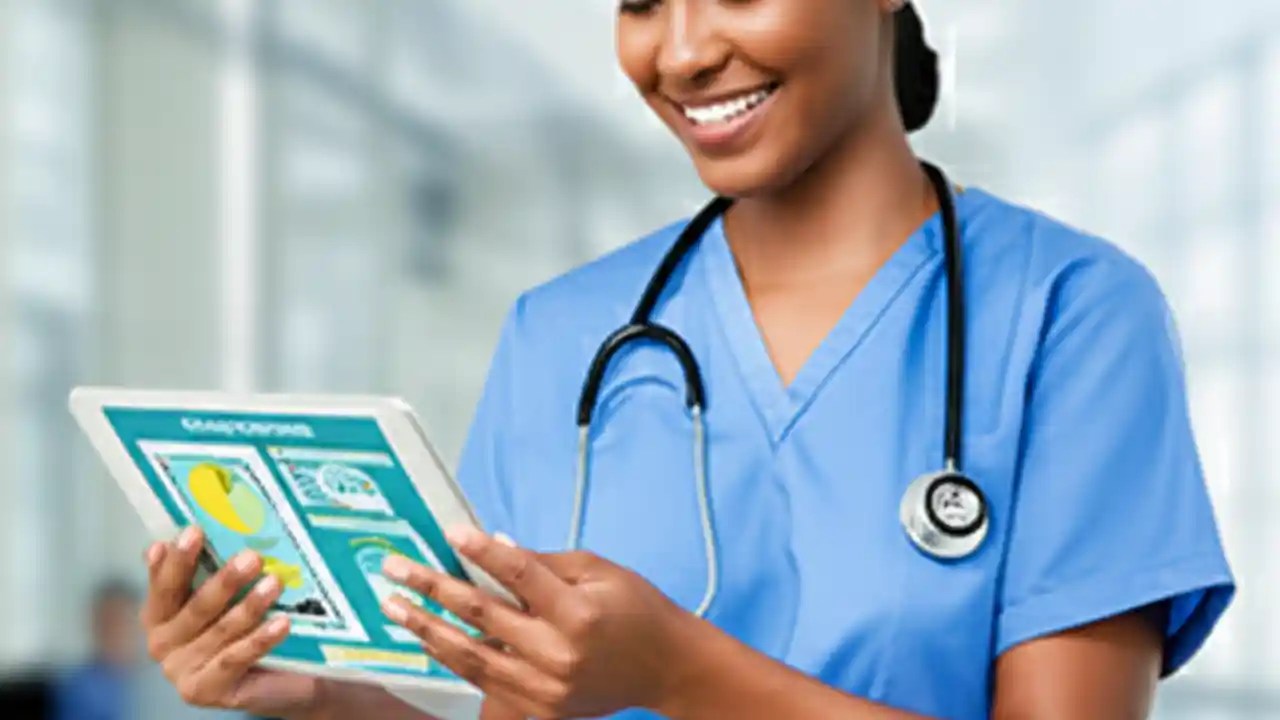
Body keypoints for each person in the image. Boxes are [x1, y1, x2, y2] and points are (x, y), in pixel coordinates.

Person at [137, 1, 1236, 718]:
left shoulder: (1067, 314)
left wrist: (674, 670)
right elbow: (505, 702)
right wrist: (310, 693)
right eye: (640, 2)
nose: (682, 52)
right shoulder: (560, 331)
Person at [52, 580, 141, 720]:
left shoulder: (157, 680)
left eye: (123, 622)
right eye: (110, 623)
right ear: (96, 626)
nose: (117, 631)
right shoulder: (80, 689)